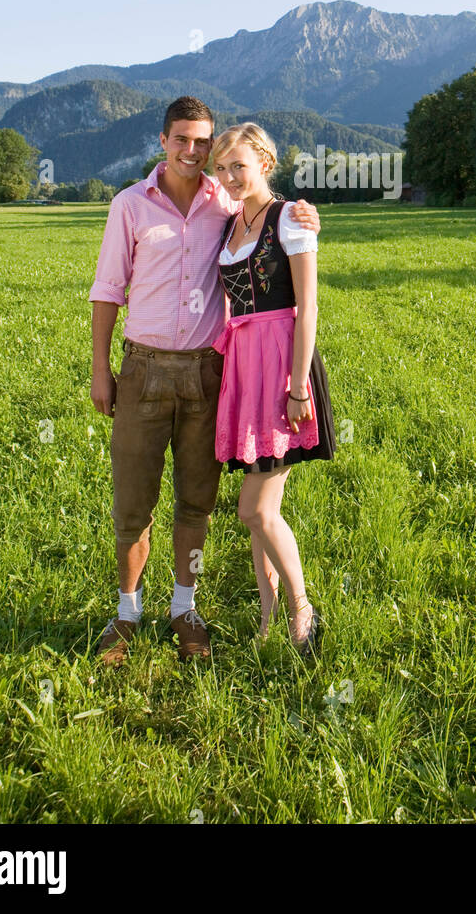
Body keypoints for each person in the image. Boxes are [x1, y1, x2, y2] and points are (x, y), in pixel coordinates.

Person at [88, 97, 320, 667]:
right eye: (184, 141)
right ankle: (127, 611)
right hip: (143, 369)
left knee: (199, 504)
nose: (196, 154)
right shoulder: (129, 205)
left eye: (205, 144)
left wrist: (304, 213)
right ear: (163, 141)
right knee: (132, 504)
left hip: (211, 374)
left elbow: (279, 226)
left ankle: (186, 608)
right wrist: (101, 369)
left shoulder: (229, 202)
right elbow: (106, 289)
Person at [210, 123, 336, 656]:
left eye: (239, 165)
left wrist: (299, 385)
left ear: (264, 161)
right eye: (221, 168)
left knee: (255, 510)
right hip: (243, 366)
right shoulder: (229, 223)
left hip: (283, 363)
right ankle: (267, 621)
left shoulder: (290, 218)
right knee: (259, 507)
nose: (230, 177)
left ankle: (303, 611)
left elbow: (307, 307)